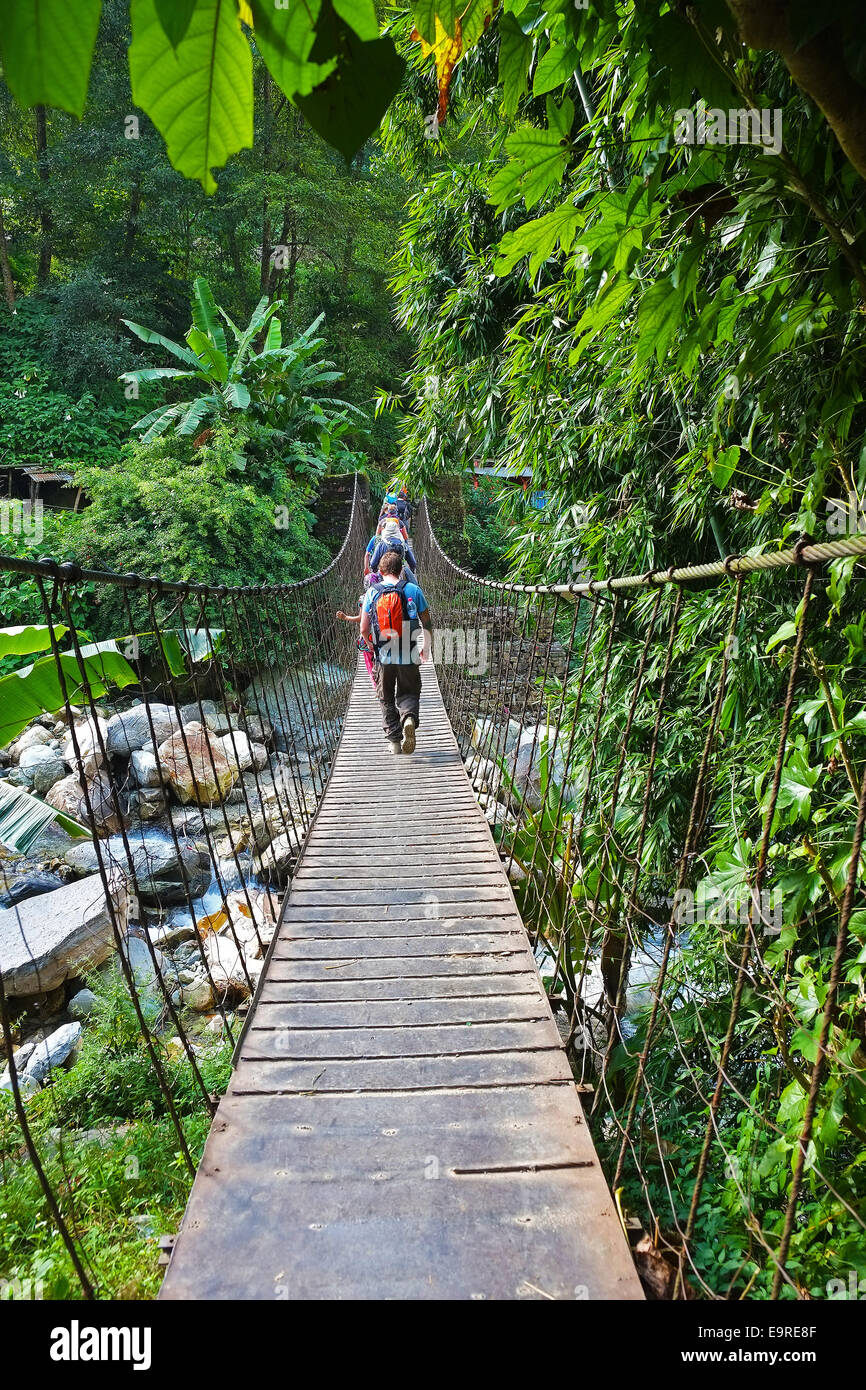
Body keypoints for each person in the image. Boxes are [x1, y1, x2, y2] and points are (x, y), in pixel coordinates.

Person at [360, 548, 432, 754]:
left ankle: (394, 742)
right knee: (409, 691)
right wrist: (425, 648)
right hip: (408, 651)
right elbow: (426, 622)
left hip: (383, 654)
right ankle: (408, 717)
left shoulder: (372, 592)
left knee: (386, 697)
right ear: (401, 570)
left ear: (381, 572)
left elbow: (364, 628)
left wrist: (371, 645)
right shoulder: (413, 590)